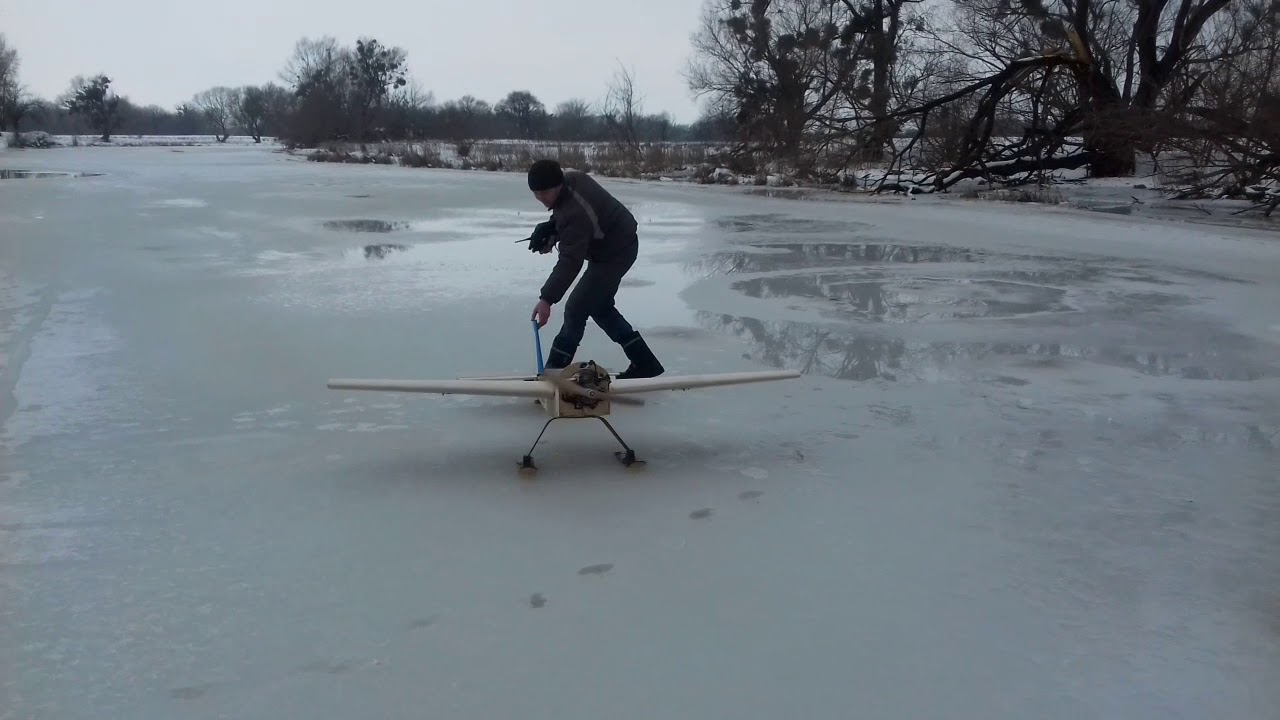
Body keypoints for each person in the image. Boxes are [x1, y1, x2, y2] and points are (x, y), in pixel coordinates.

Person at [524, 158, 664, 379]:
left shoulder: (574, 214)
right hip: (613, 244)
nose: (541, 198)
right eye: (536, 193)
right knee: (600, 307)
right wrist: (552, 227)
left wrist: (546, 299)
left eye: (545, 193)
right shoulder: (572, 180)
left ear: (558, 185)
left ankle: (553, 372)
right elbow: (575, 213)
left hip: (616, 252)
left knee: (576, 308)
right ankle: (645, 362)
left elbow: (570, 260)